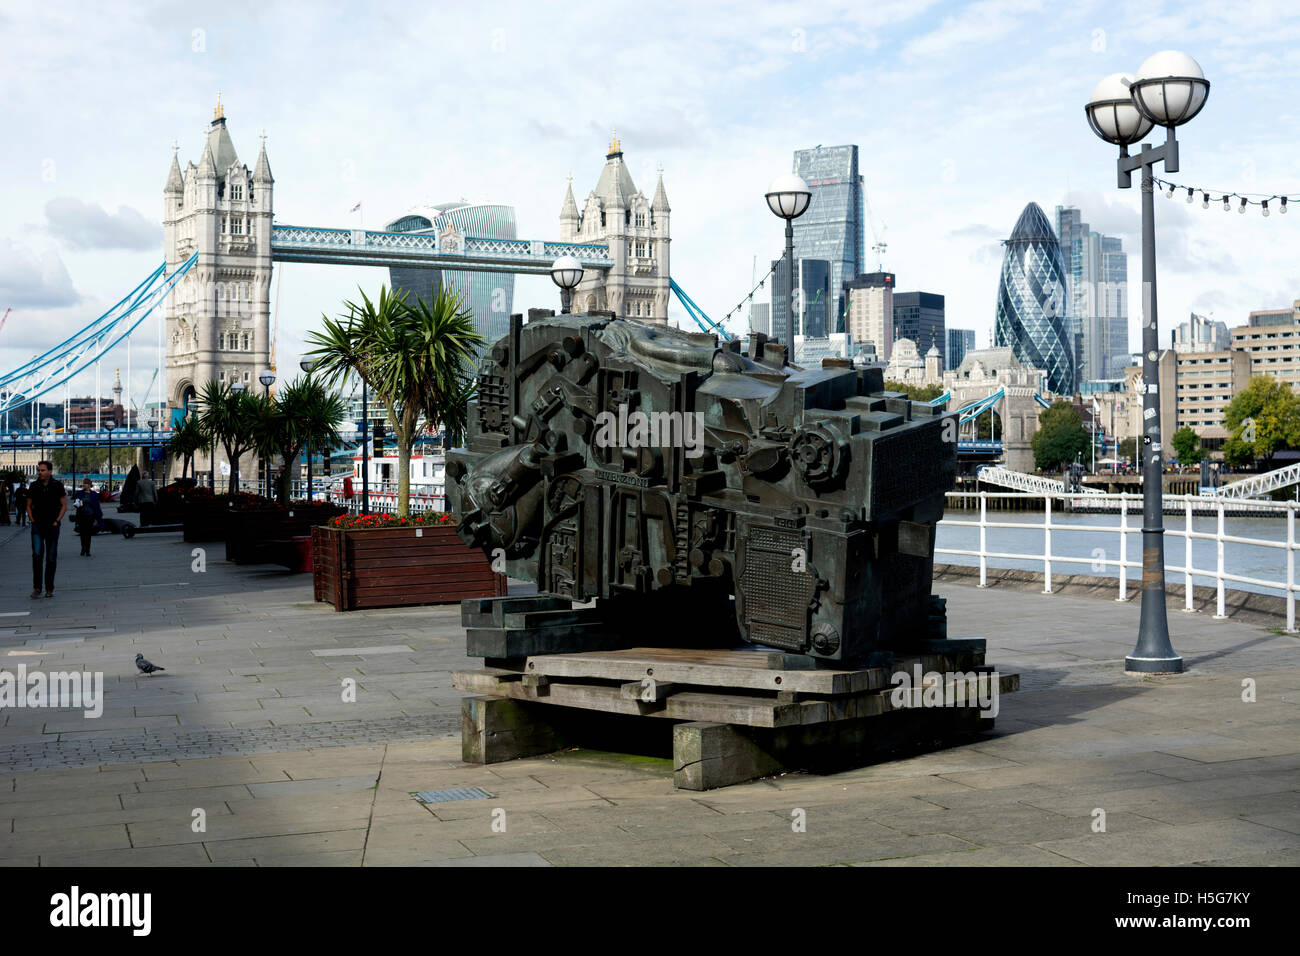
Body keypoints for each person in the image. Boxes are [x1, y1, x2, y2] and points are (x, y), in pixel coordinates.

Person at [27, 461, 66, 598]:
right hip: (37, 526)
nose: (39, 472)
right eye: (39, 470)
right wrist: (32, 520)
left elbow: (64, 505)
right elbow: (28, 505)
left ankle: (49, 588)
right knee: (37, 557)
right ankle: (37, 588)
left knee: (51, 558)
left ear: (50, 471)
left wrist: (57, 521)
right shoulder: (33, 486)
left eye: (42, 470)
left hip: (52, 526)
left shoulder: (57, 486)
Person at [74, 478, 102, 556]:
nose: (84, 485)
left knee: (88, 534)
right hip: (81, 516)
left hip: (90, 516)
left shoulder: (94, 494)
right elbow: (76, 504)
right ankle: (83, 548)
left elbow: (97, 506)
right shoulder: (79, 493)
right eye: (84, 483)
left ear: (89, 485)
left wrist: (97, 517)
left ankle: (88, 550)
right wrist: (78, 504)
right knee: (82, 533)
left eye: (86, 483)